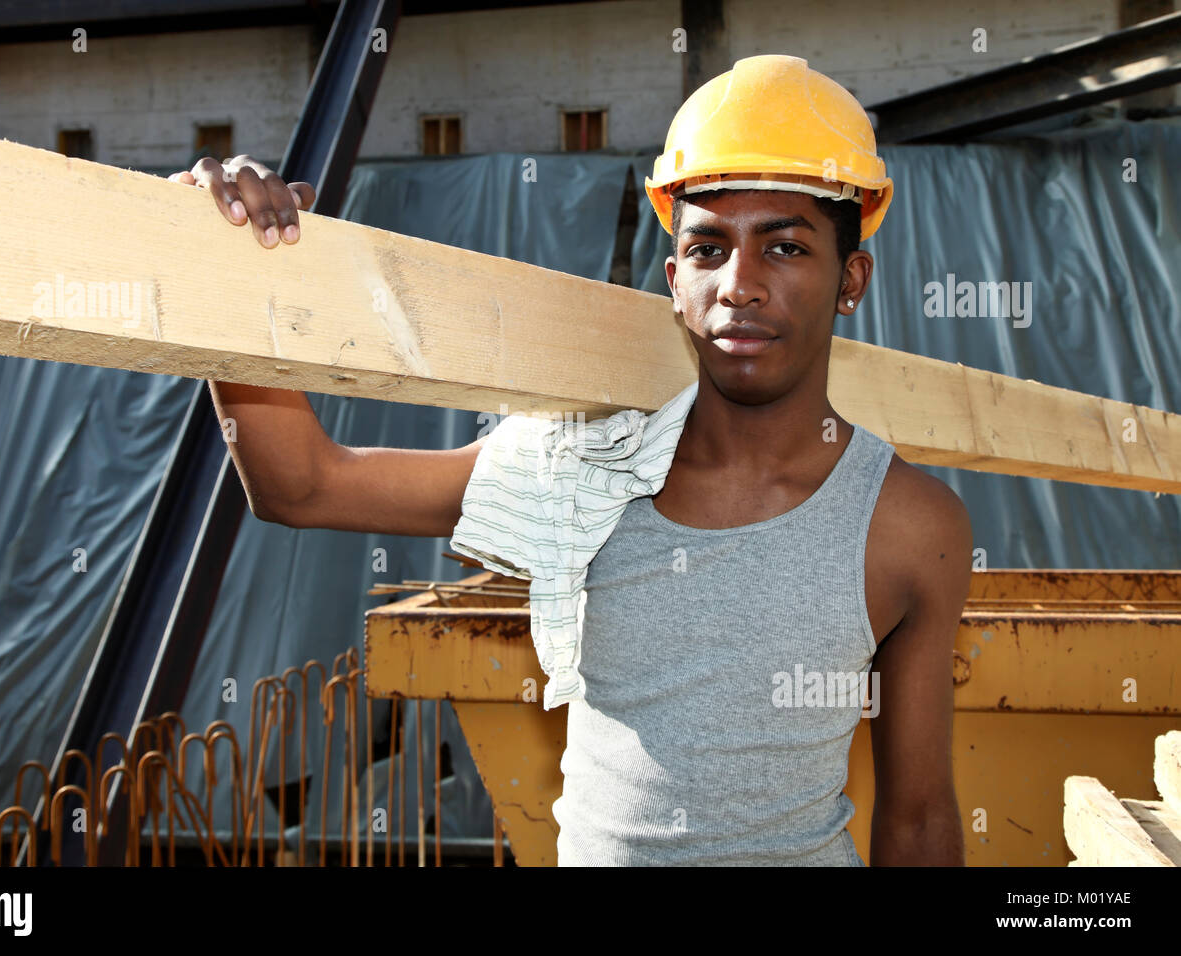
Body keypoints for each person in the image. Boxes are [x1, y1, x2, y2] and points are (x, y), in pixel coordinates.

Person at [178, 54, 970, 866]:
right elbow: (301, 485)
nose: (739, 284)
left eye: (786, 248)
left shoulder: (909, 527)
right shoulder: (582, 471)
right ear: (673, 282)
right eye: (706, 249)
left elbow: (916, 821)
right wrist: (223, 264)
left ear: (852, 279)